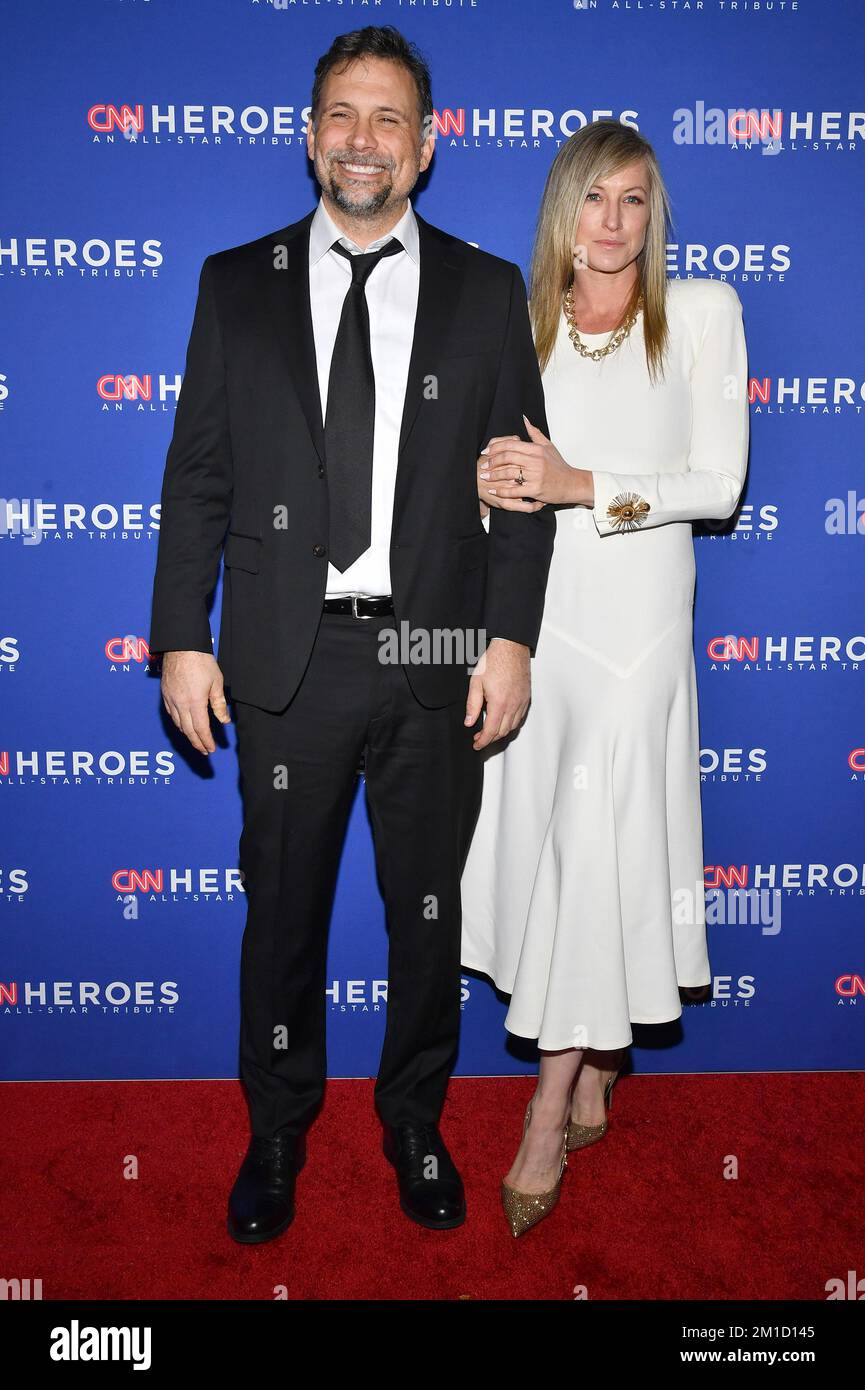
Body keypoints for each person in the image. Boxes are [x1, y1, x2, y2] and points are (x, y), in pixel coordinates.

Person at [148, 24, 555, 1243]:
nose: (362, 139)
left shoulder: (485, 292)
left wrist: (513, 639)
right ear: (308, 134)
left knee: (425, 914)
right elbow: (198, 479)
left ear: (426, 148)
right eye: (341, 114)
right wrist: (182, 632)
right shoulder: (236, 283)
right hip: (289, 653)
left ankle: (415, 1122)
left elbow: (520, 485)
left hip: (433, 652)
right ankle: (276, 1129)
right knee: (282, 915)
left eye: (388, 119)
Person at [460, 120, 750, 1237]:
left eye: (635, 200)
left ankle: (544, 1113)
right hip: (540, 627)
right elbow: (494, 479)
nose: (615, 223)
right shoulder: (520, 325)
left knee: (597, 849)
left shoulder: (703, 314)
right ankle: (593, 1063)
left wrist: (582, 481)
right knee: (558, 858)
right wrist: (494, 487)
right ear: (562, 211)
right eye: (595, 200)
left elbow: (715, 484)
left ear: (654, 211)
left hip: (634, 634)